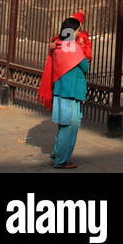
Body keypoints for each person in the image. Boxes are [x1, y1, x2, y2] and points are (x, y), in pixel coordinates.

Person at [37, 9, 91, 169]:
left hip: (60, 91)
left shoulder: (57, 45)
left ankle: (57, 152)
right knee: (70, 126)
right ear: (73, 31)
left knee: (63, 125)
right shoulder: (72, 48)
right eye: (77, 30)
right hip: (71, 92)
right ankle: (61, 159)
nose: (78, 33)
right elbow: (85, 66)